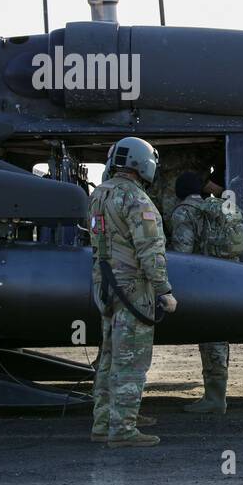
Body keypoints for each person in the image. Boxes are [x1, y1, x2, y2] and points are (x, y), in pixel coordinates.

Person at [89, 137, 178, 447]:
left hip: (106, 286)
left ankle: (104, 422)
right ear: (144, 164)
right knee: (131, 361)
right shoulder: (137, 200)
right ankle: (123, 430)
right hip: (132, 290)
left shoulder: (100, 194)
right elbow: (150, 249)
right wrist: (164, 290)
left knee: (111, 356)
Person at [168, 170, 243, 414]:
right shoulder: (218, 207)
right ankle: (216, 395)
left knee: (209, 338)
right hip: (225, 278)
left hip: (203, 281)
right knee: (218, 337)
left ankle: (214, 400)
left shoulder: (184, 212)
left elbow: (183, 253)